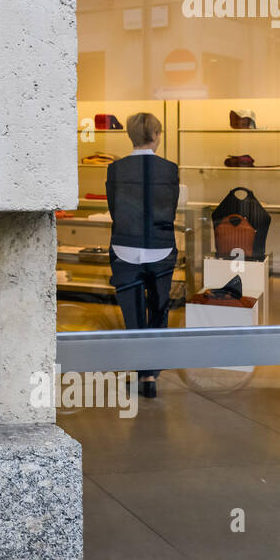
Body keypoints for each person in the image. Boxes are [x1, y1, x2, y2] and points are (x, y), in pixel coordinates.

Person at [105, 112, 183, 398]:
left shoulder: (116, 169)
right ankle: (150, 375)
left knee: (133, 313)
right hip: (160, 246)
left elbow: (115, 208)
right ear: (156, 136)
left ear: (131, 136)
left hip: (125, 246)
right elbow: (170, 209)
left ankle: (140, 370)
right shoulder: (169, 169)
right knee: (159, 309)